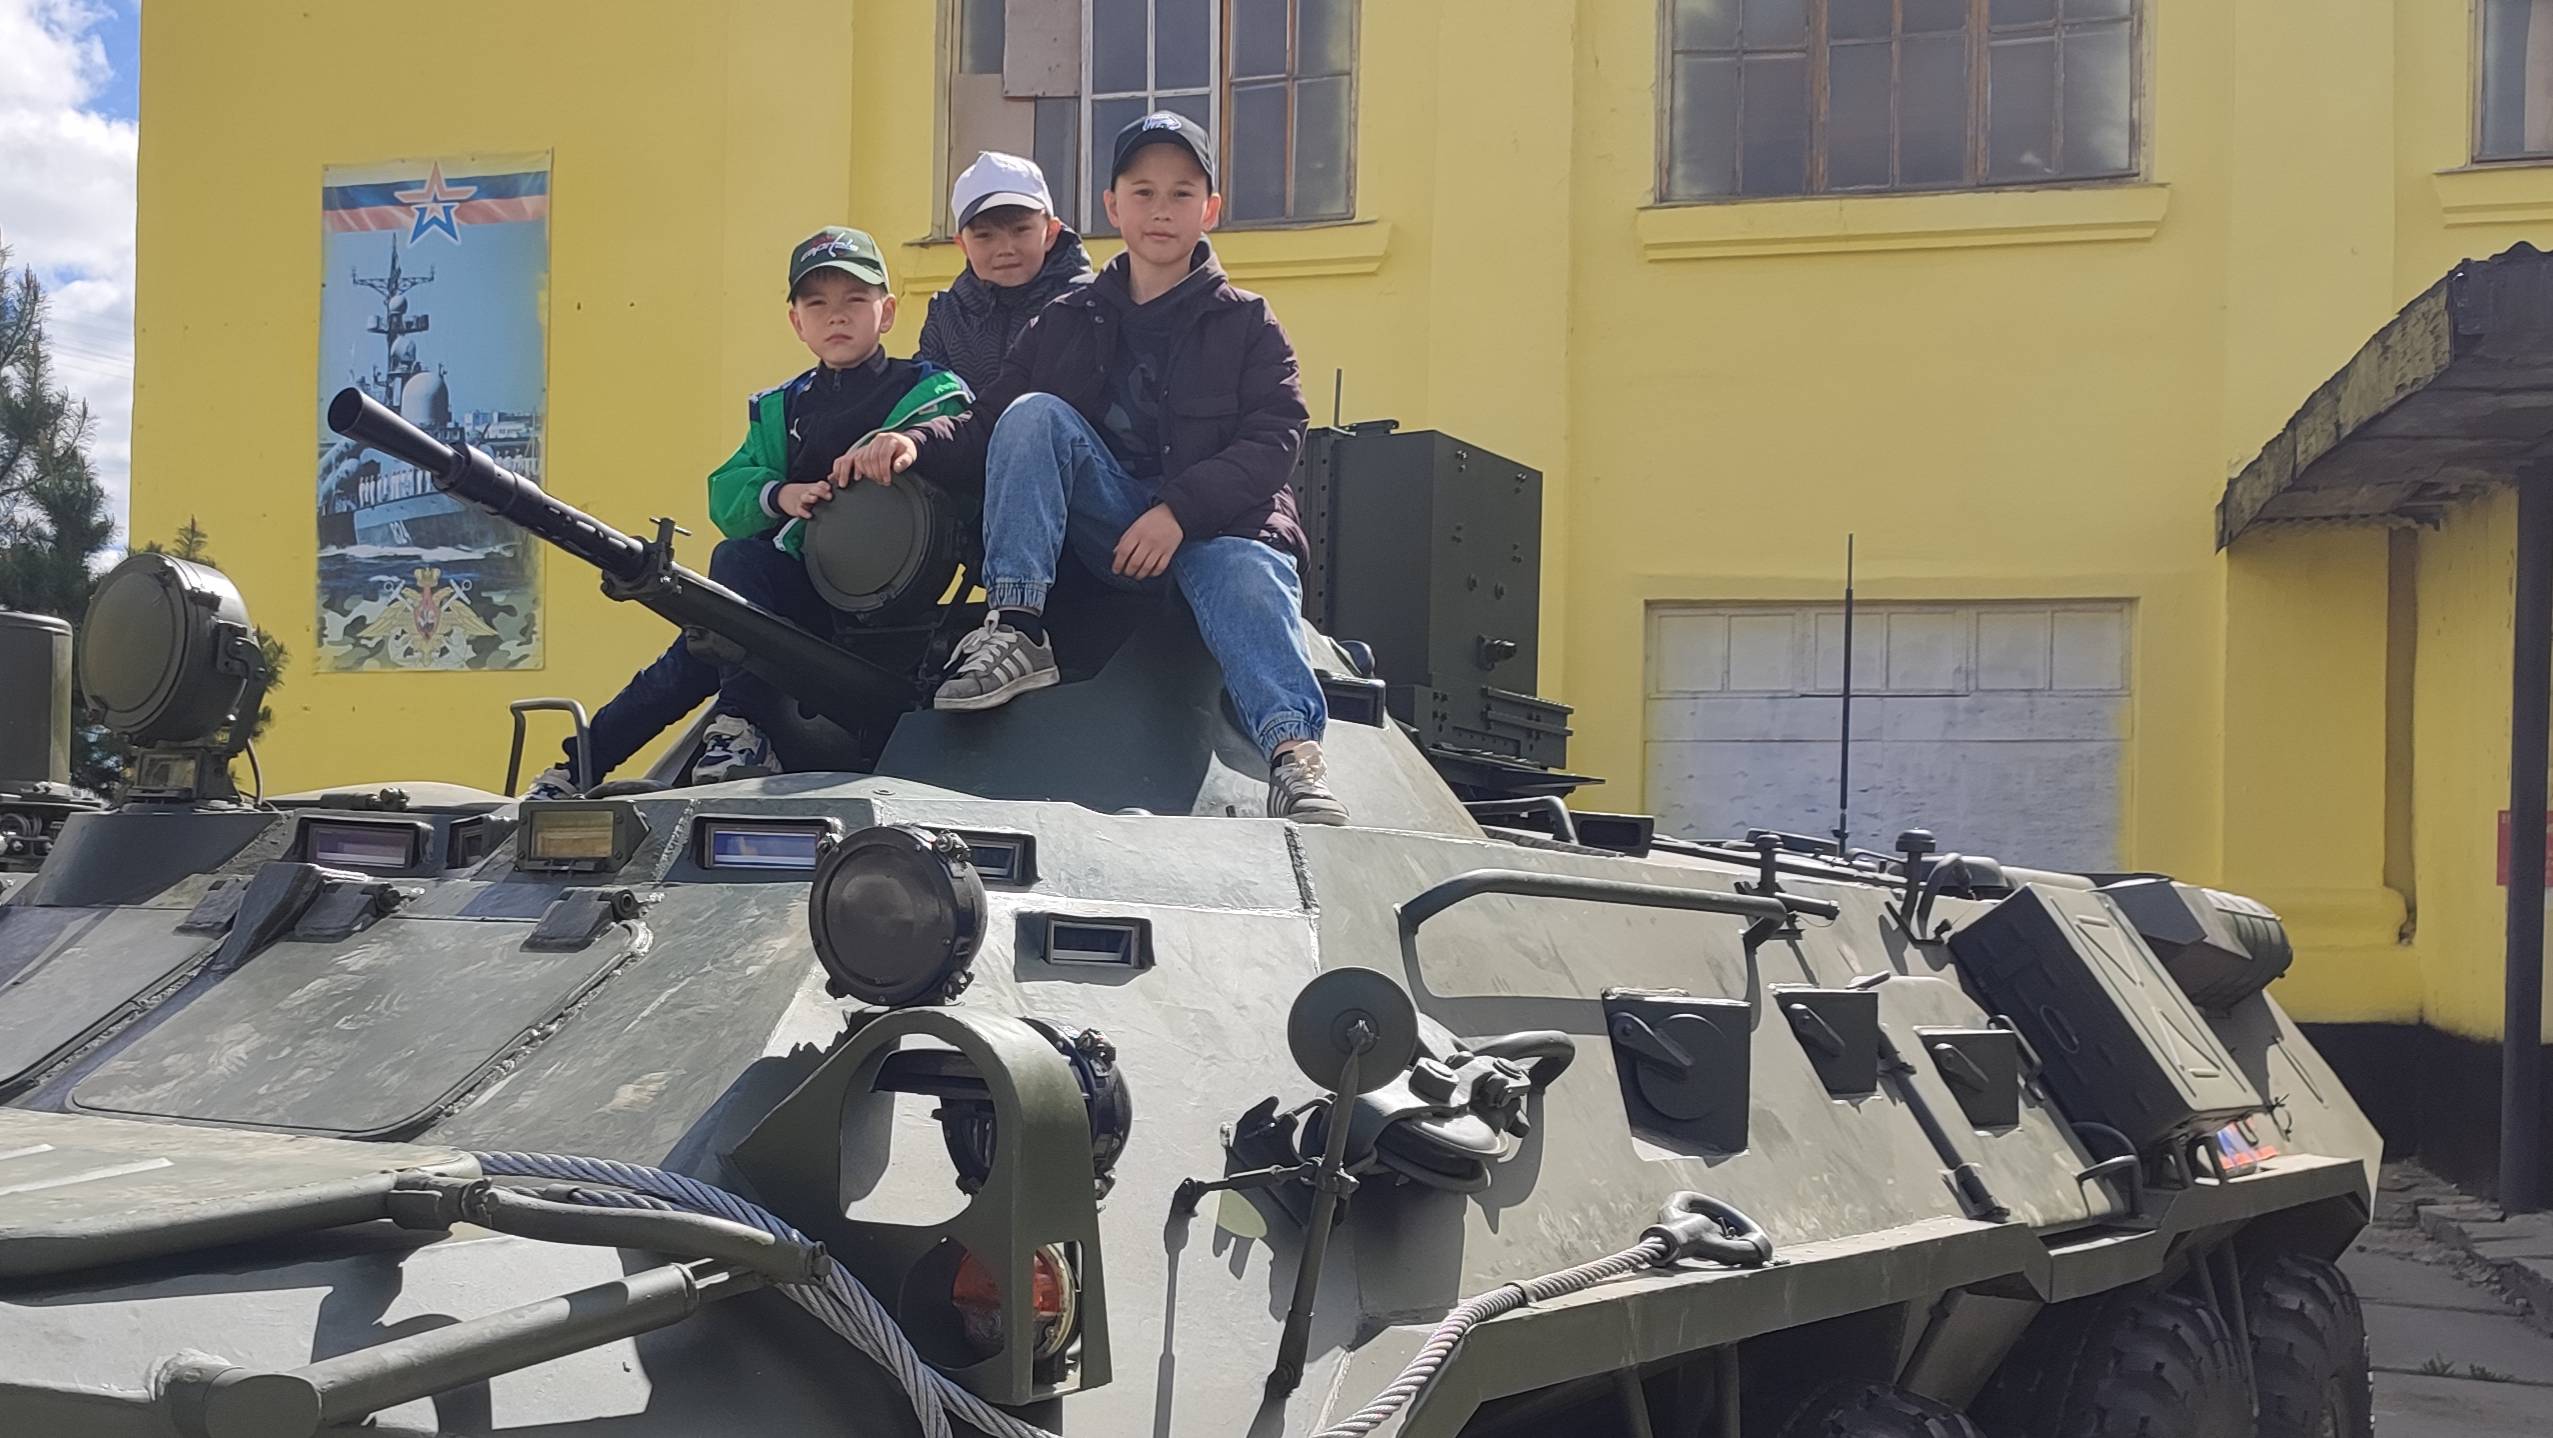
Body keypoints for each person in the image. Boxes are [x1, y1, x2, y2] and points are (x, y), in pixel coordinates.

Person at [842, 112, 1347, 826]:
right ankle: (1017, 629)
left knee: (1248, 575)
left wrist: (1177, 513)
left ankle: (1293, 756)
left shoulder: (1248, 324)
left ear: (1209, 209)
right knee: (1033, 414)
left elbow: (1274, 437)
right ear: (1113, 206)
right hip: (1108, 527)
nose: (1160, 210)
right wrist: (914, 444)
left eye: (1180, 194)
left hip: (1216, 530)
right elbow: (989, 422)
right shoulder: (1066, 319)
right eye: (1143, 192)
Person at [519, 227, 968, 799]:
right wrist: (782, 495)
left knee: (720, 622)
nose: (836, 316)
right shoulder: (784, 407)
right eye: (817, 304)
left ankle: (727, 729)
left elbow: (958, 463)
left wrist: (900, 449)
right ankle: (585, 765)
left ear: (887, 313)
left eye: (856, 299)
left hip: (884, 603)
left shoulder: (928, 393)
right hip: (793, 594)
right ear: (796, 322)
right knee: (701, 642)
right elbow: (727, 494)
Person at [917, 151, 1093, 393]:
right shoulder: (947, 313)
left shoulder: (1086, 302)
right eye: (985, 236)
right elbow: (931, 396)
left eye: (1020, 230)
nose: (1005, 249)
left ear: (1050, 233)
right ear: (962, 245)